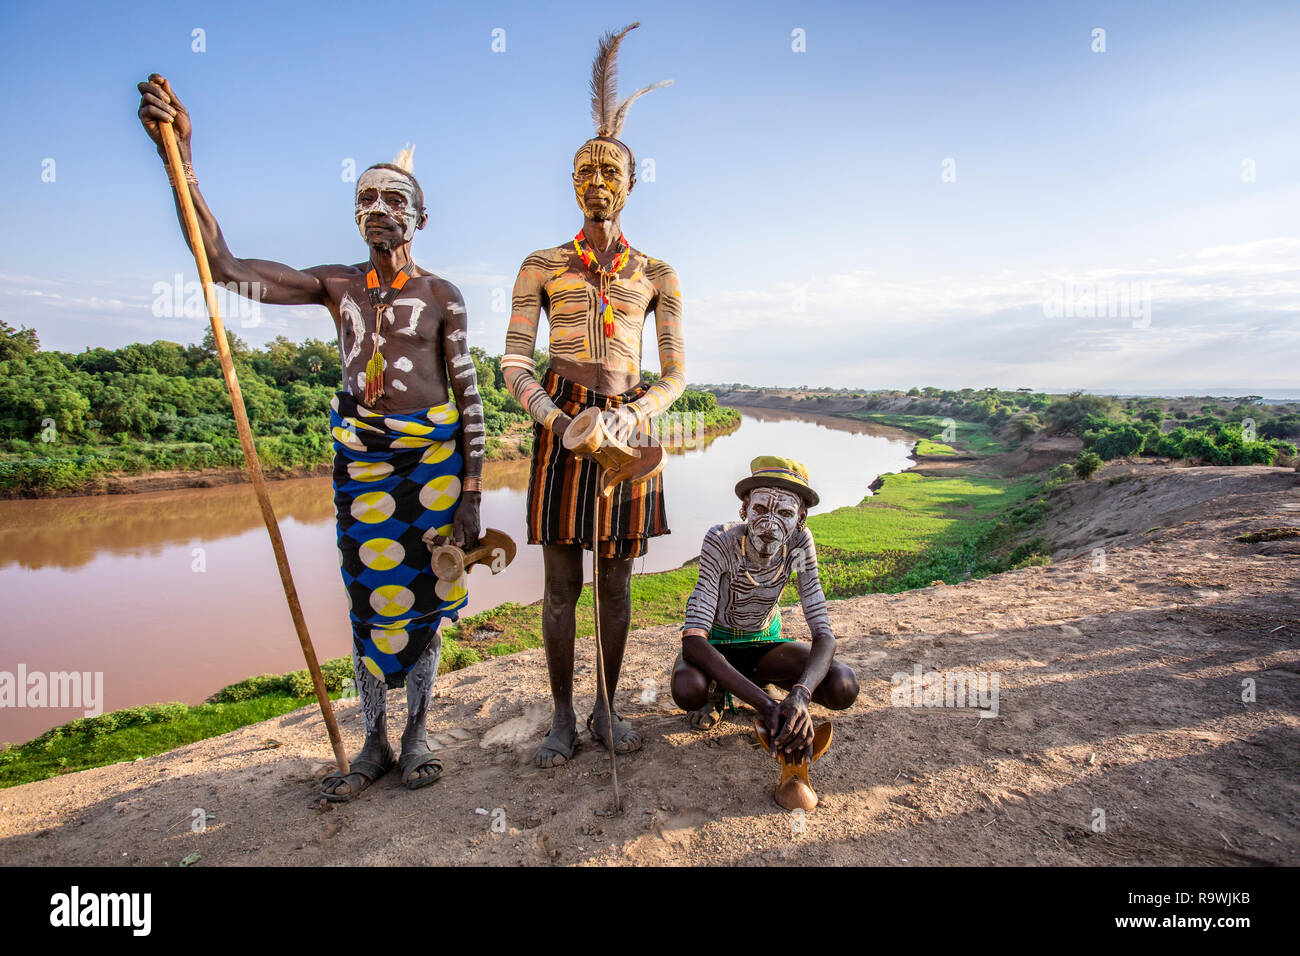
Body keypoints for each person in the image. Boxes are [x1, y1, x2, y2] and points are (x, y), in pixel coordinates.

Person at [136, 75, 486, 799]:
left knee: (426, 601)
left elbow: (470, 397)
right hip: (363, 466)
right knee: (366, 603)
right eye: (365, 199)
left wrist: (473, 494)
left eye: (393, 199)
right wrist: (182, 160)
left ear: (422, 216)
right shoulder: (337, 285)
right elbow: (227, 268)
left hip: (433, 467)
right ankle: (374, 743)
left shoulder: (442, 296)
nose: (377, 209)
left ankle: (418, 735)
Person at [500, 24, 684, 767]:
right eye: (585, 170)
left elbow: (676, 373)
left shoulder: (658, 273)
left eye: (611, 169)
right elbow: (513, 359)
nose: (597, 180)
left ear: (632, 183)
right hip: (561, 422)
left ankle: (607, 708)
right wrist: (554, 419)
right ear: (571, 183)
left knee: (616, 581)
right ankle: (560, 716)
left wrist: (634, 413)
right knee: (559, 583)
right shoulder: (541, 264)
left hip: (630, 425)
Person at [672, 457, 860, 764]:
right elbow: (693, 640)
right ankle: (724, 688)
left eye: (784, 513)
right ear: (745, 508)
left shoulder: (799, 544)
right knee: (688, 689)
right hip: (714, 647)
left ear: (801, 516)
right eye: (760, 509)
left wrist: (800, 694)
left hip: (763, 646)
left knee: (843, 686)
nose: (770, 525)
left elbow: (823, 633)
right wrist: (768, 706)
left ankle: (754, 683)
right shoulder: (721, 541)